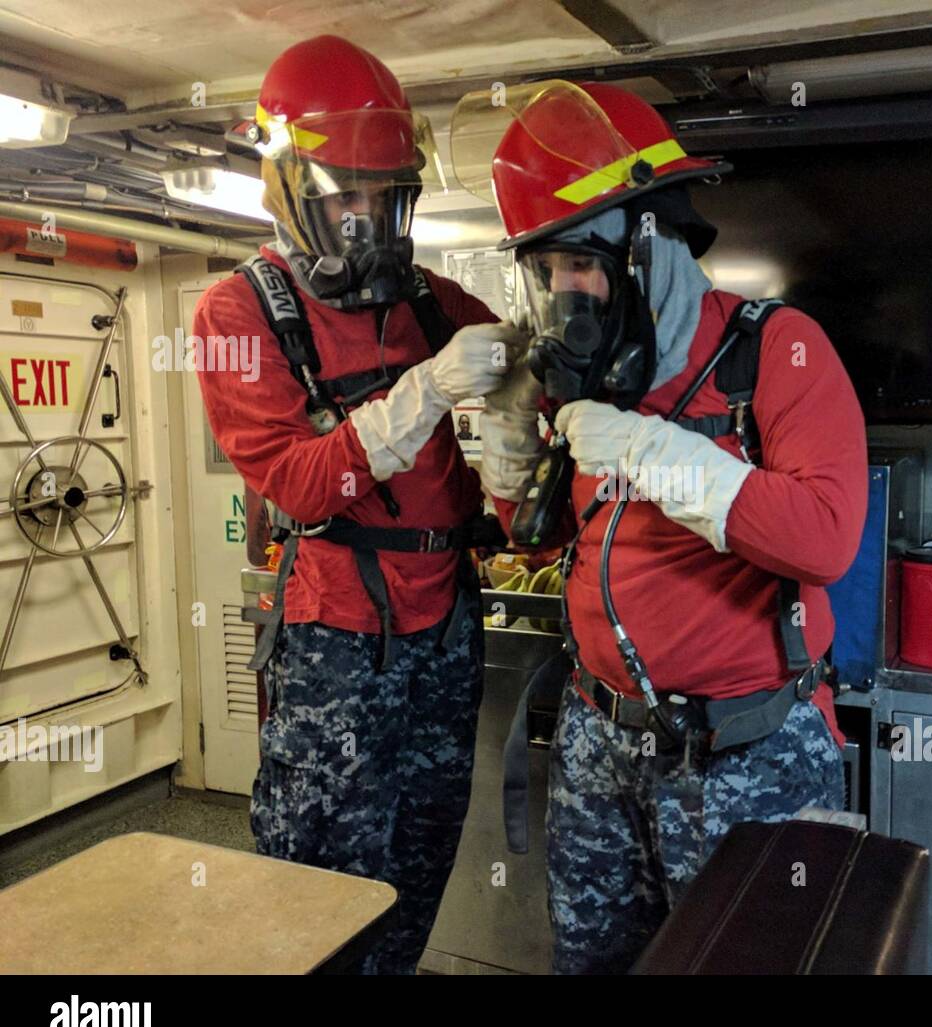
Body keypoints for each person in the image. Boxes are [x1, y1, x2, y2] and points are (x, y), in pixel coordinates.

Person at [453, 81, 868, 973]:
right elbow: (549, 543)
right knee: (594, 962)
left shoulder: (778, 351)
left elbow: (826, 535)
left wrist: (654, 450)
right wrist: (512, 470)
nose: (567, 295)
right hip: (600, 744)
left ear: (648, 244)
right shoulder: (594, 378)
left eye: (580, 263)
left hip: (744, 755)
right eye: (548, 271)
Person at [193, 35, 522, 974]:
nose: (370, 224)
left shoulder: (429, 300)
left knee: (421, 857)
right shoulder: (236, 312)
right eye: (349, 199)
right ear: (295, 187)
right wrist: (425, 391)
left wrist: (520, 402)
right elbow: (296, 479)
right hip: (339, 634)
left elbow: (518, 354)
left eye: (387, 200)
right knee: (319, 882)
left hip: (447, 626)